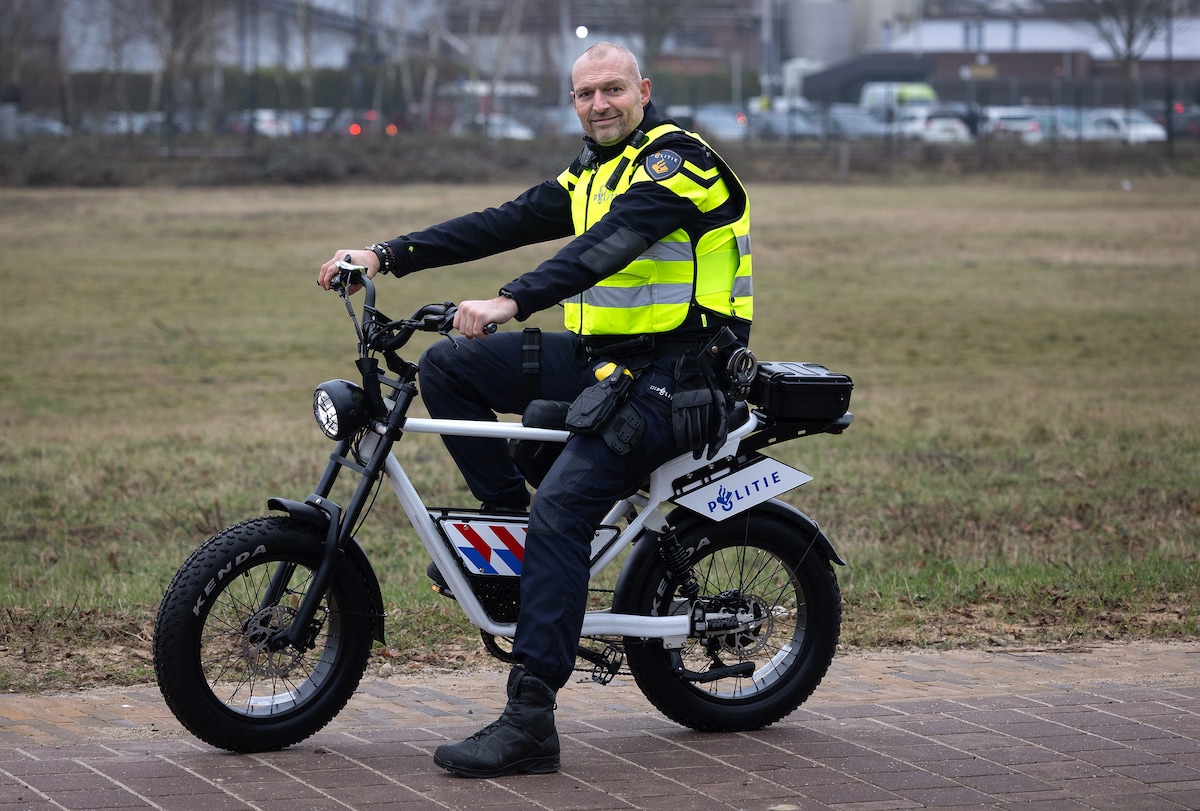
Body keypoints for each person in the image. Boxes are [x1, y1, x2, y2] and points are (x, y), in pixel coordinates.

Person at [318, 42, 753, 778]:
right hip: (604, 358)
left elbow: (608, 247)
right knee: (448, 365)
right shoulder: (595, 169)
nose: (599, 104)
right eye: (586, 94)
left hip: (682, 373)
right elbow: (505, 221)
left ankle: (530, 720)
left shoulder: (679, 164)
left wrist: (510, 301)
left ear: (644, 90)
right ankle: (511, 538)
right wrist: (385, 255)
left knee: (564, 507)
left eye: (613, 89)